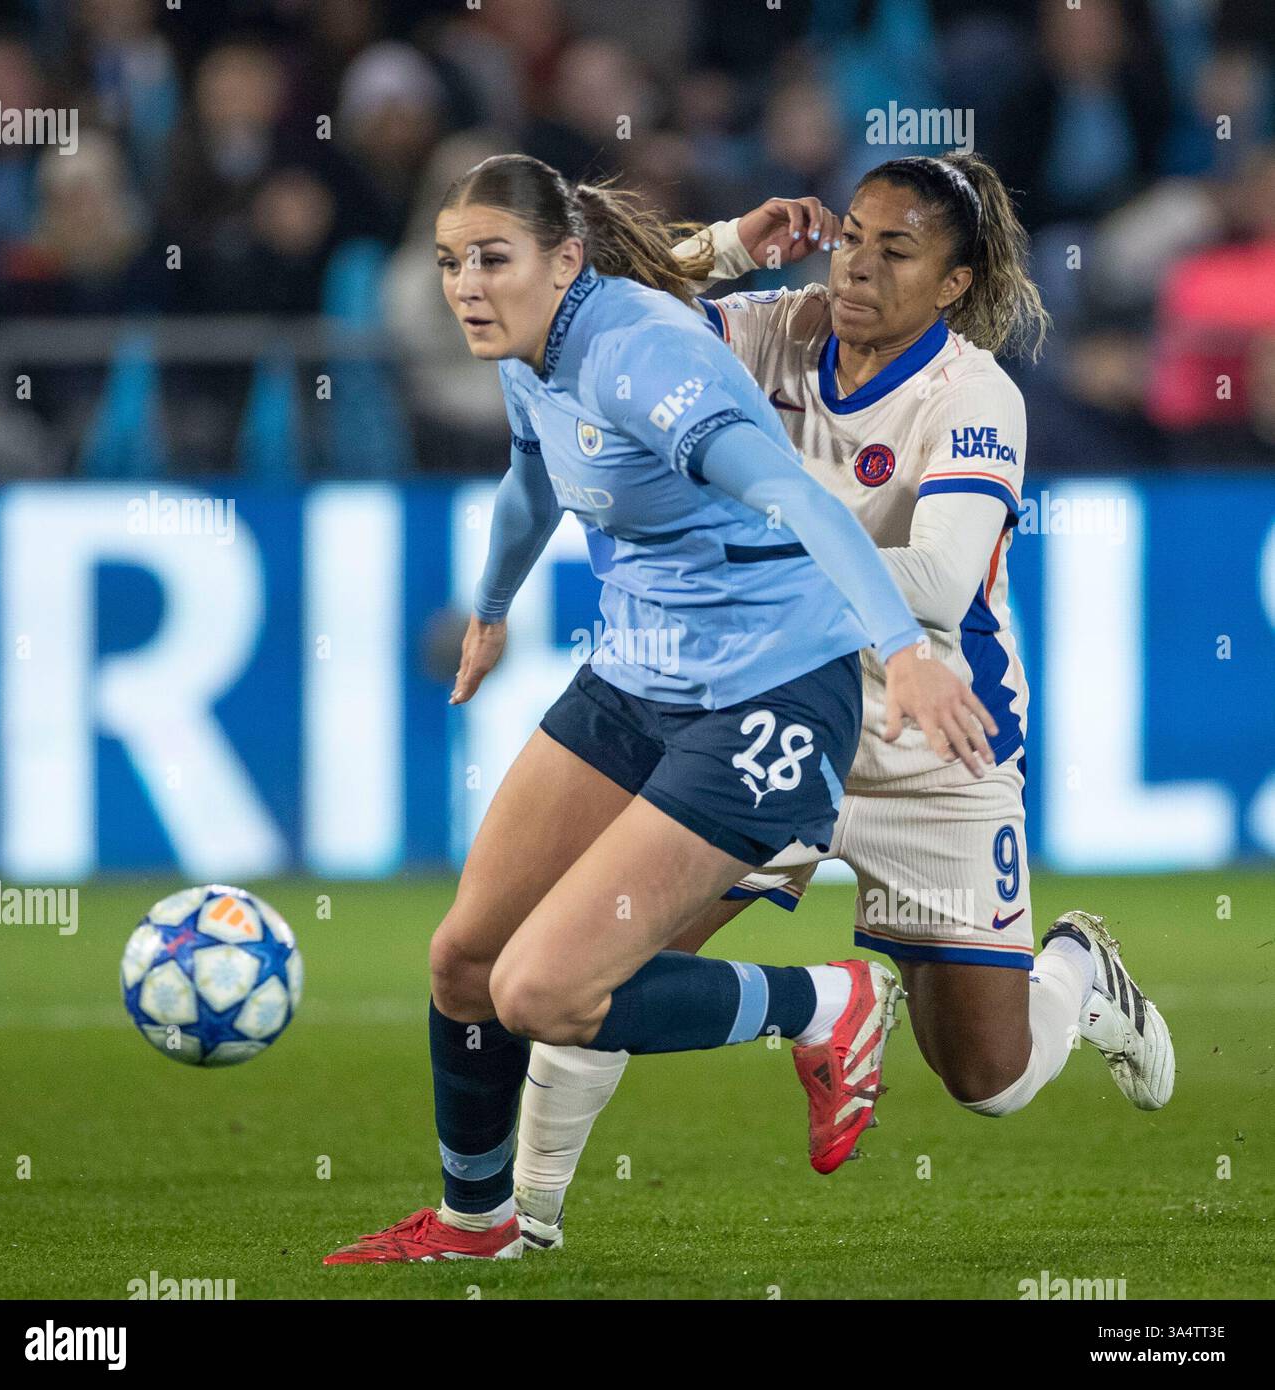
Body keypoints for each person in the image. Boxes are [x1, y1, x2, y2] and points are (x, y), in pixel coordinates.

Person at [323, 153, 997, 1265]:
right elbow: (534, 476)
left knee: (541, 989)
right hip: (637, 674)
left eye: (490, 259)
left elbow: (785, 491)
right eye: (450, 262)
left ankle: (821, 1002)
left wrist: (903, 652)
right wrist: (491, 608)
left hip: (770, 690)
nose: (464, 286)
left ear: (565, 260)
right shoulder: (527, 341)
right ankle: (478, 1222)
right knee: (463, 961)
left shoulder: (640, 359)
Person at [511, 154, 1176, 1253]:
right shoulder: (772, 329)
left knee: (987, 1079)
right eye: (850, 236)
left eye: (895, 249)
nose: (856, 266)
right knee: (610, 956)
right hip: (770, 714)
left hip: (930, 743)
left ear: (954, 283)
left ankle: (1072, 971)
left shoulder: (973, 399)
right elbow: (590, 308)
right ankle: (522, 1217)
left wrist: (762, 545)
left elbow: (938, 582)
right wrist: (723, 244)